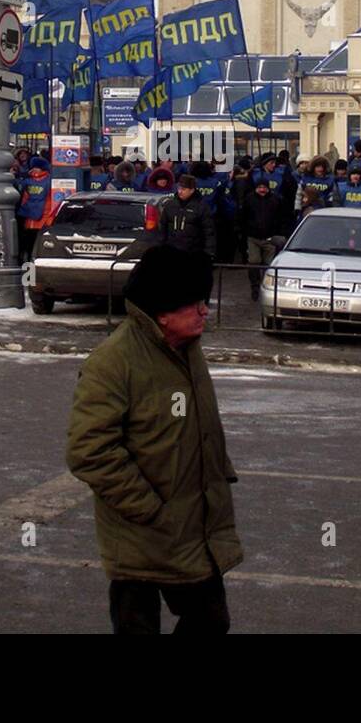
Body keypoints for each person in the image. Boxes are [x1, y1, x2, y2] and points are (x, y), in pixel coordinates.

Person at [66, 245, 242, 634]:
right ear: (162, 312)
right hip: (139, 532)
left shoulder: (187, 349)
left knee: (212, 621)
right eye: (194, 303)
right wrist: (149, 508)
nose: (204, 311)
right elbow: (88, 451)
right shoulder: (113, 362)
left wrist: (217, 477)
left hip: (193, 525)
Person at [241, 175, 289, 299]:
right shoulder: (249, 199)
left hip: (270, 237)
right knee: (254, 262)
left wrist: (280, 233)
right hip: (253, 237)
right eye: (259, 187)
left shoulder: (276, 200)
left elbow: (282, 218)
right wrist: (244, 231)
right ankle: (255, 286)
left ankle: (266, 287)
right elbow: (242, 216)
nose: (262, 190)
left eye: (264, 187)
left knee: (269, 265)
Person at [158, 175, 216, 259]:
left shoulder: (201, 207)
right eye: (179, 188)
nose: (180, 191)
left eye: (183, 189)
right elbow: (163, 227)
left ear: (192, 190)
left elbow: (209, 232)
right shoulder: (170, 205)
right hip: (171, 252)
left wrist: (209, 253)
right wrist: (161, 247)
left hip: (193, 253)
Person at [17, 157, 54, 262]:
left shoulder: (27, 180)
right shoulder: (50, 180)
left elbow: (24, 199)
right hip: (44, 218)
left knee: (28, 242)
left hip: (29, 218)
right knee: (40, 245)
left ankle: (27, 263)